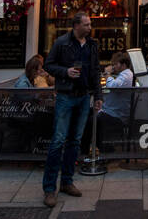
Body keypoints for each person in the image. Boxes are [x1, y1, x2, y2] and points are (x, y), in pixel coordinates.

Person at [41, 13, 100, 207]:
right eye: (86, 24)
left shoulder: (91, 44)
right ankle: (50, 188)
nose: (89, 27)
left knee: (75, 141)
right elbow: (48, 65)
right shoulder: (62, 43)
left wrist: (98, 96)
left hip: (84, 96)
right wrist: (65, 72)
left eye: (90, 24)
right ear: (76, 26)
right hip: (66, 96)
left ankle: (67, 181)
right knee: (58, 141)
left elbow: (96, 70)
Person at [96, 51, 136, 147]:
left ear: (123, 64)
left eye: (115, 64)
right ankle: (99, 149)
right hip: (113, 112)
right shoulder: (124, 74)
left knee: (92, 121)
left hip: (117, 115)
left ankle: (105, 150)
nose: (113, 66)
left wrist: (107, 74)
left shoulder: (126, 75)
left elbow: (114, 86)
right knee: (90, 117)